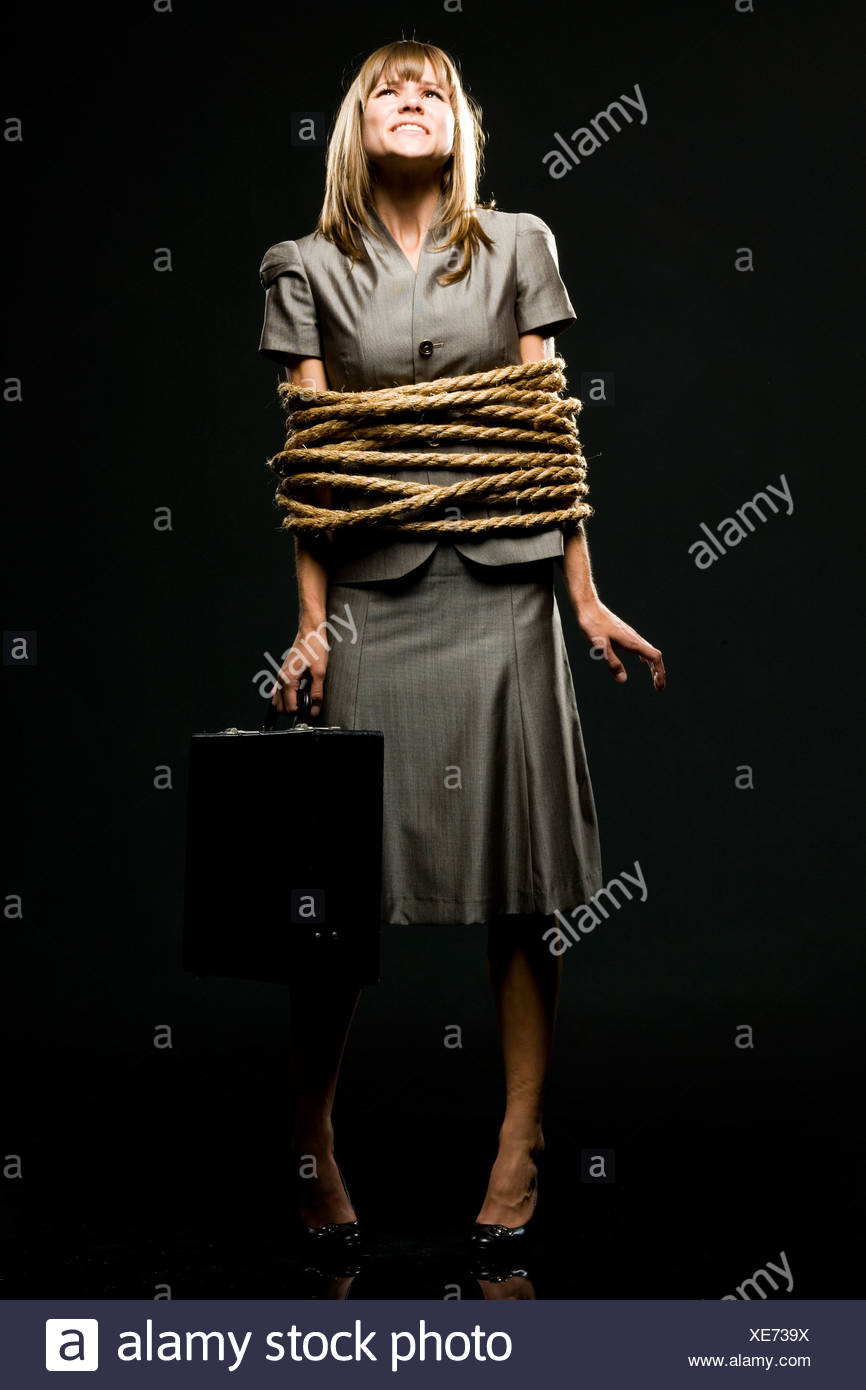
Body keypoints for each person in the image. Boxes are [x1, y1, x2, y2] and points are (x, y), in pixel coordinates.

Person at [258, 40, 665, 1248]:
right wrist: (307, 628)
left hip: (505, 597)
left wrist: (582, 598)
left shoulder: (519, 247)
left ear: (459, 121)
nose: (410, 101)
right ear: (354, 122)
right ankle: (311, 1136)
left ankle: (517, 1143)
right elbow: (311, 474)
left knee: (527, 888)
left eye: (430, 88)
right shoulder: (302, 267)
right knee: (335, 902)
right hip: (372, 602)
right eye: (387, 87)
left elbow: (547, 444)